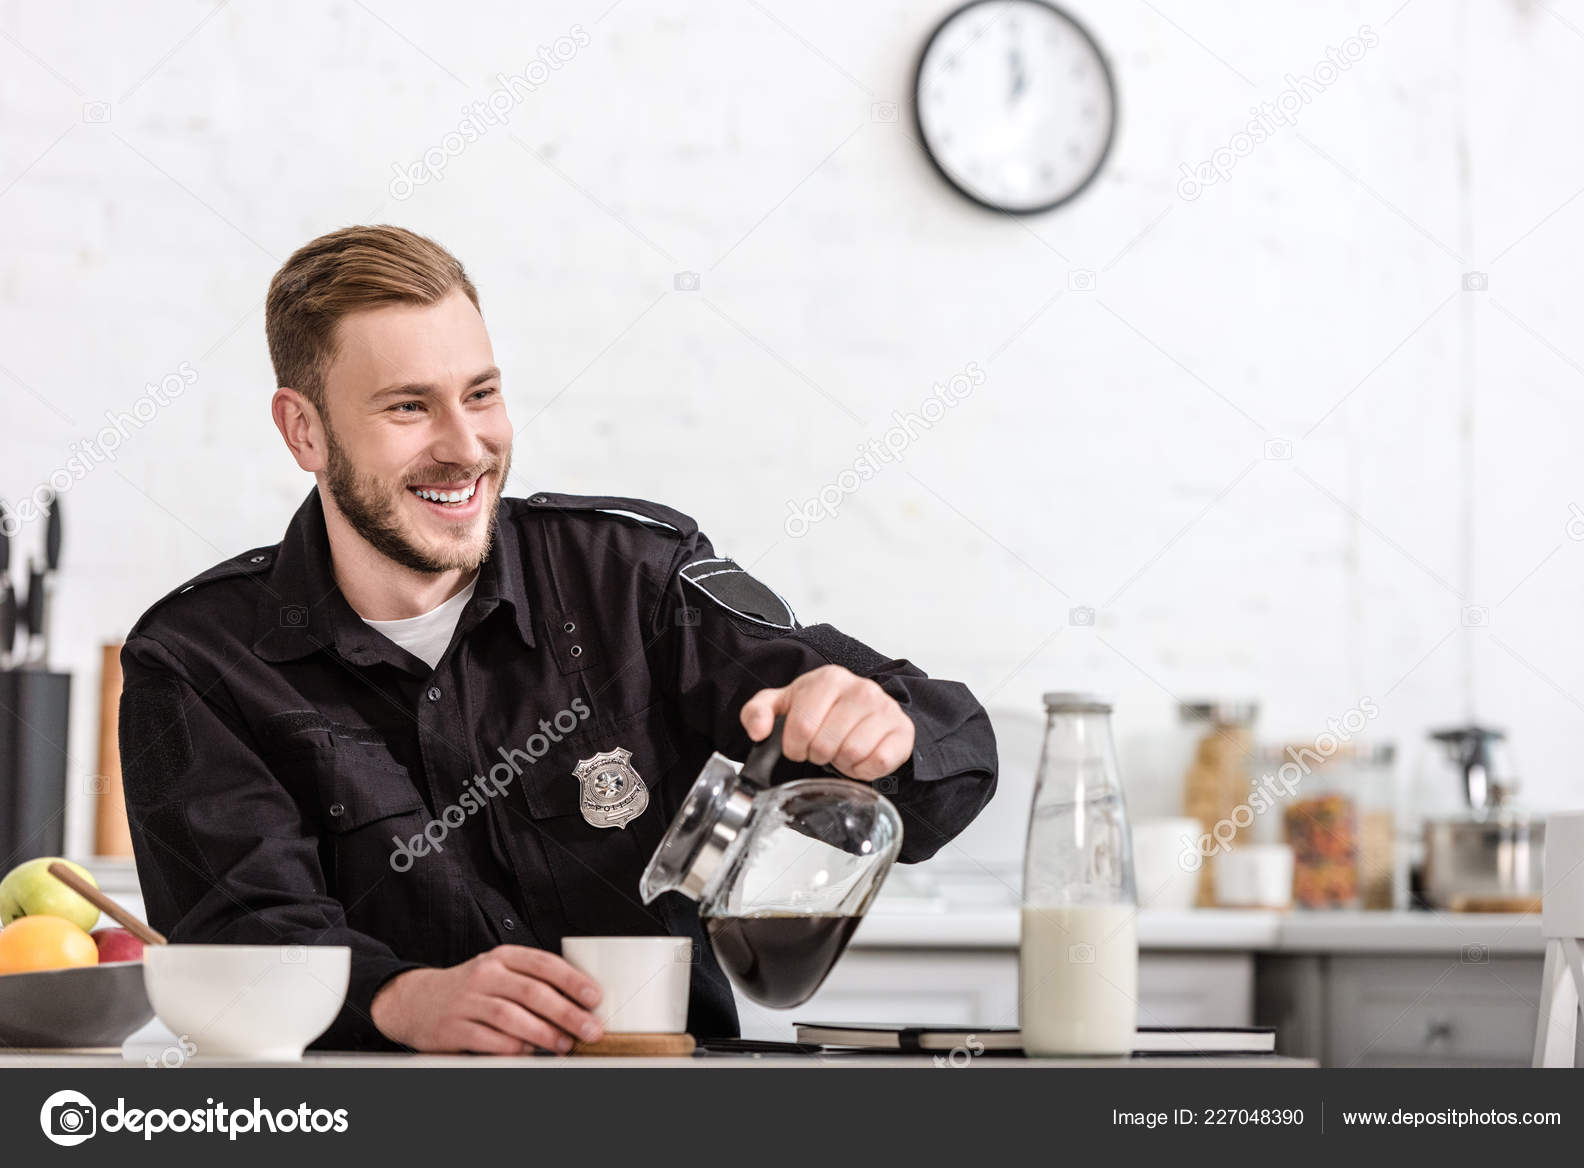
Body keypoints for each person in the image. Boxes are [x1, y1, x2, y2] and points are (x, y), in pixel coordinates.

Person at [118, 225, 1000, 1053]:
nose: (466, 447)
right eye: (408, 408)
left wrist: (882, 728)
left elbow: (950, 757)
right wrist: (399, 999)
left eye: (481, 394)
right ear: (303, 430)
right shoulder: (198, 664)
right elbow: (238, 943)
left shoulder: (633, 580)